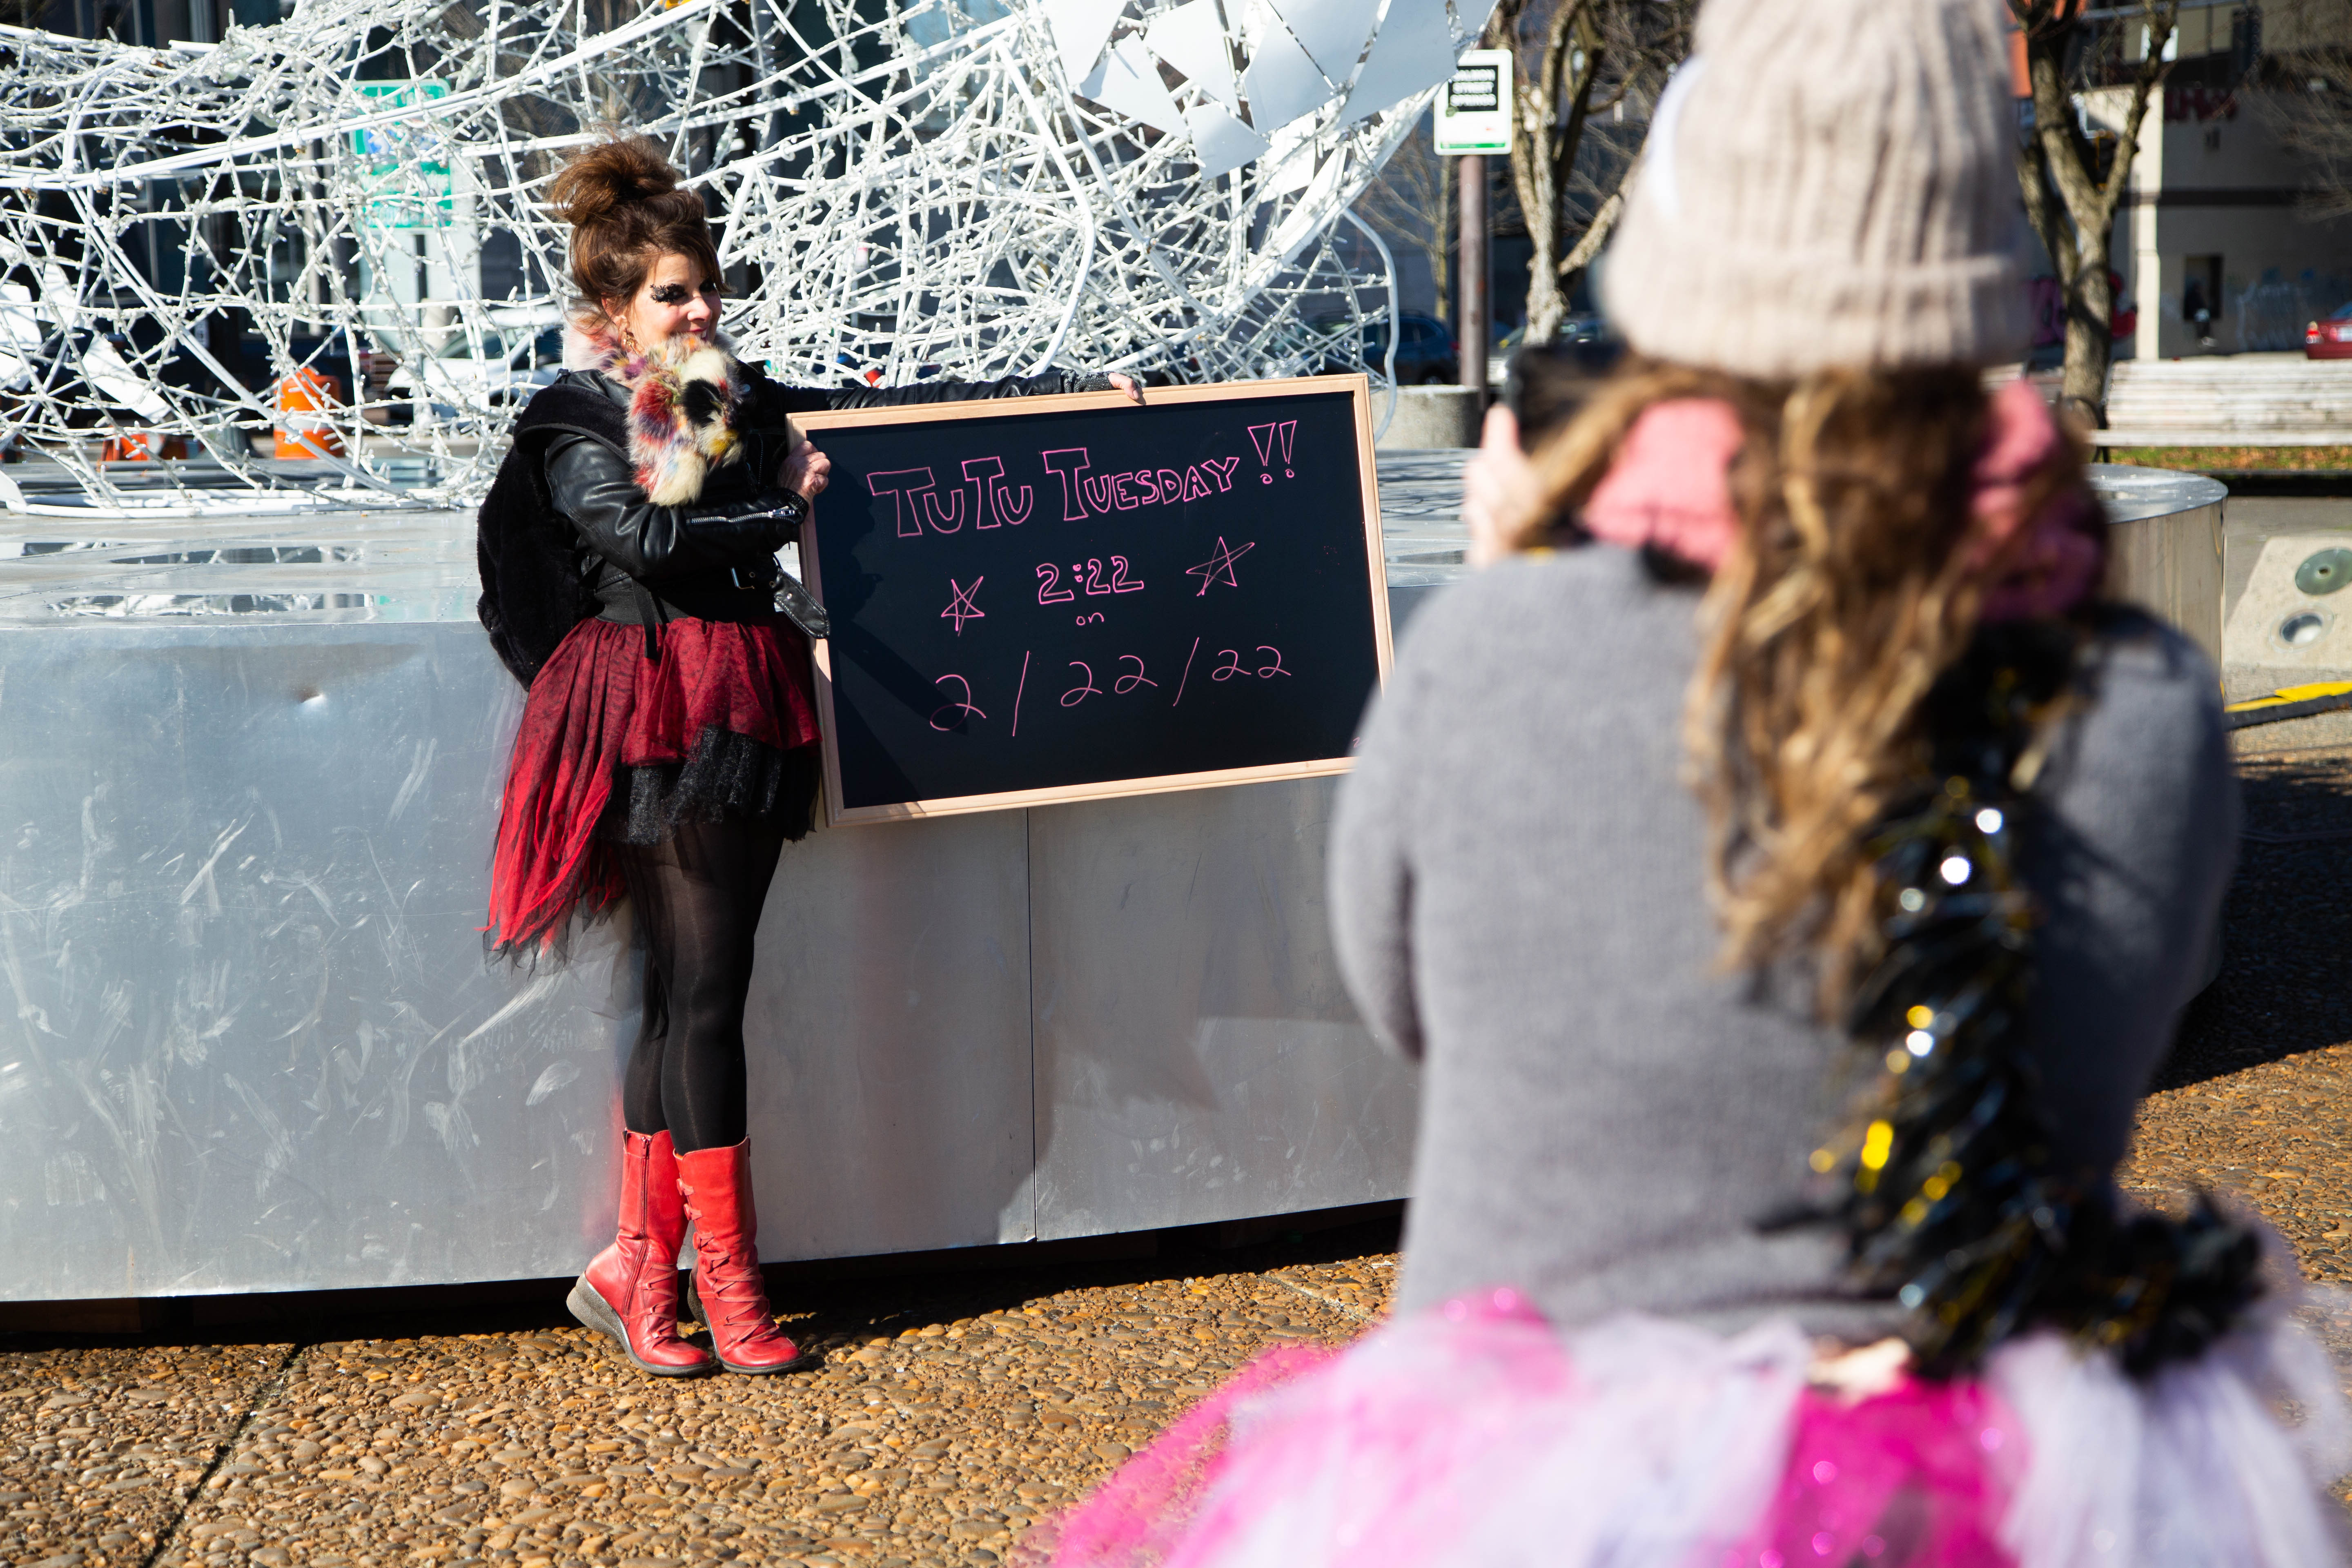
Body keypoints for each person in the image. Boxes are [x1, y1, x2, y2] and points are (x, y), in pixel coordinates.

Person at [1027, 1, 2349, 1562]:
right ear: (1979, 281)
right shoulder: (2138, 700)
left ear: (1673, 273)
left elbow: (1416, 1006)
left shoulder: (1492, 655)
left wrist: (1533, 577)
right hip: (1961, 1486)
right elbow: (2094, 1049)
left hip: (1515, 1484)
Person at [476, 136, 1138, 1379]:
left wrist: (1084, 395)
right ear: (614, 308)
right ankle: (719, 1288)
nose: (701, 310)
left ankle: (641, 1267)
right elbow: (640, 533)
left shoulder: (728, 397)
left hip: (733, 694)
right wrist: (783, 504)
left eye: (708, 288)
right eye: (674, 294)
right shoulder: (575, 412)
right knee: (696, 994)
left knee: (685, 992)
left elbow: (894, 419)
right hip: (658, 704)